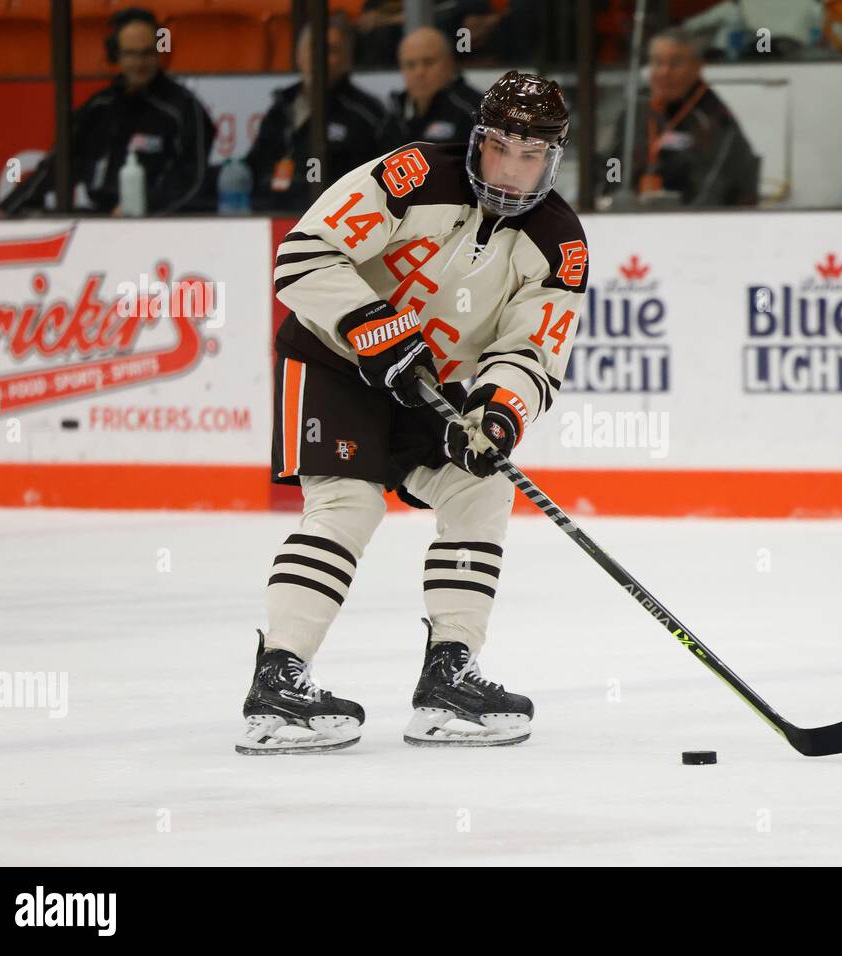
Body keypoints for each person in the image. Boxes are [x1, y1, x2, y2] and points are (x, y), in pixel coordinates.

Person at [238, 71, 588, 754]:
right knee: (348, 505)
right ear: (478, 139)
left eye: (533, 154)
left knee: (481, 490)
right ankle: (280, 678)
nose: (514, 171)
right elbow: (304, 258)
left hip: (434, 390)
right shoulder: (411, 175)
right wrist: (376, 327)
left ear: (554, 158)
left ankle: (449, 676)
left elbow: (531, 349)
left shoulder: (558, 242)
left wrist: (498, 414)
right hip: (335, 362)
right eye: (503, 148)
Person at [0, 6, 215, 215]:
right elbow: (55, 167)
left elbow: (191, 180)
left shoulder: (183, 108)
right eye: (131, 54)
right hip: (99, 220)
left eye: (147, 53)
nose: (140, 63)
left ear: (160, 54)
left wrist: (143, 208)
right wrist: (5, 211)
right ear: (116, 56)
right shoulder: (98, 108)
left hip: (157, 224)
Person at [599, 28, 759, 208]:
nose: (665, 72)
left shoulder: (715, 118)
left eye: (675, 63)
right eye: (657, 63)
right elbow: (612, 166)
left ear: (697, 67)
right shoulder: (636, 110)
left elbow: (712, 193)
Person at [244, 15, 387, 213]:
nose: (319, 57)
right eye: (313, 47)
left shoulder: (366, 115)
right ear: (298, 55)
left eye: (331, 50)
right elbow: (256, 164)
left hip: (334, 223)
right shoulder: (282, 105)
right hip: (269, 216)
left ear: (347, 60)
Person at [378, 27, 480, 148]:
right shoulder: (393, 116)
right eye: (410, 65)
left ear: (450, 63)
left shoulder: (473, 112)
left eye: (428, 62)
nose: (419, 72)